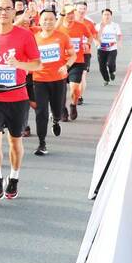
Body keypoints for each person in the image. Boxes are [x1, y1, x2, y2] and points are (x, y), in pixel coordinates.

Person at [0, 0, 41, 201]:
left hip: (17, 98)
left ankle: (14, 177)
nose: (3, 12)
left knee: (15, 143)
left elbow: (37, 64)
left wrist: (19, 65)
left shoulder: (24, 36)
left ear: (15, 11)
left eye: (7, 8)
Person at [30, 9, 75, 156]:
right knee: (41, 112)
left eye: (51, 19)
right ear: (40, 21)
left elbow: (73, 55)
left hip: (58, 80)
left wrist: (66, 66)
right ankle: (42, 143)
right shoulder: (34, 39)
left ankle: (55, 120)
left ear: (55, 21)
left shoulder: (62, 37)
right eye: (45, 19)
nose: (48, 22)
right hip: (39, 80)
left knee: (58, 109)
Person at [95, 9, 122, 84]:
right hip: (101, 48)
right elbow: (95, 36)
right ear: (102, 16)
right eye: (105, 14)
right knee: (102, 66)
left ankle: (112, 72)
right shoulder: (98, 25)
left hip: (112, 48)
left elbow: (119, 35)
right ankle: (106, 79)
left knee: (110, 63)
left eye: (108, 14)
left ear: (111, 16)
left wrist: (119, 41)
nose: (106, 16)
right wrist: (101, 28)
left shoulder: (115, 25)